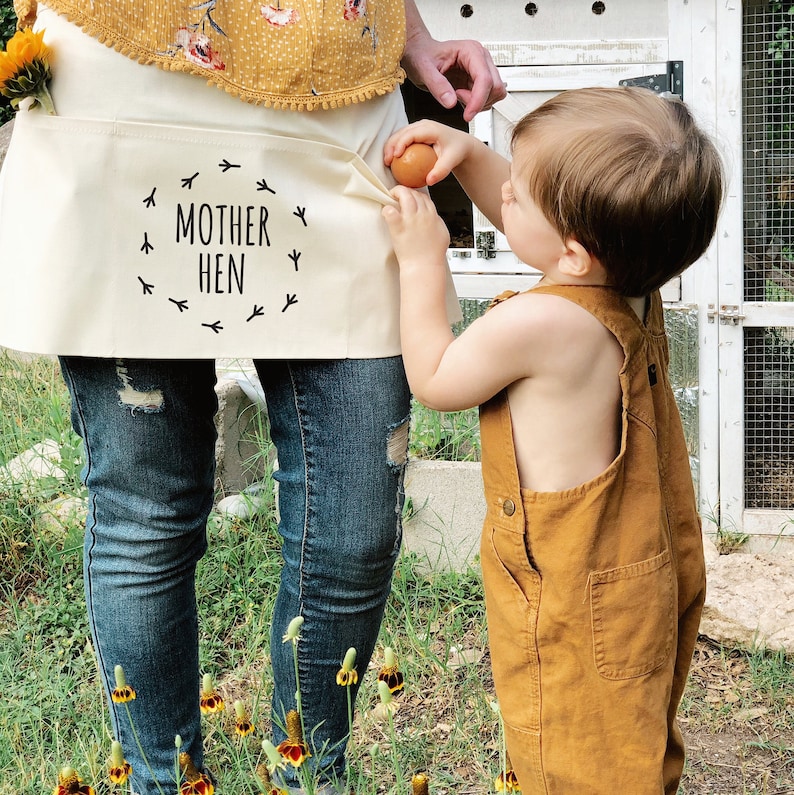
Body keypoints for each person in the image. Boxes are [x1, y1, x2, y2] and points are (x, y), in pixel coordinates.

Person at [0, 0, 506, 793]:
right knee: (145, 512)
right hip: (121, 78)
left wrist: (413, 36)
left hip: (332, 95)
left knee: (356, 524)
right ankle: (163, 784)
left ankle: (307, 778)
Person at [382, 86, 723, 793]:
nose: (501, 192)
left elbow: (439, 377)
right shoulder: (630, 280)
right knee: (622, 736)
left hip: (569, 599)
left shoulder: (541, 324)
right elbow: (544, 222)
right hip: (636, 574)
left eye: (516, 190)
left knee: (566, 755)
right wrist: (470, 153)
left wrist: (421, 262)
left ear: (572, 251)